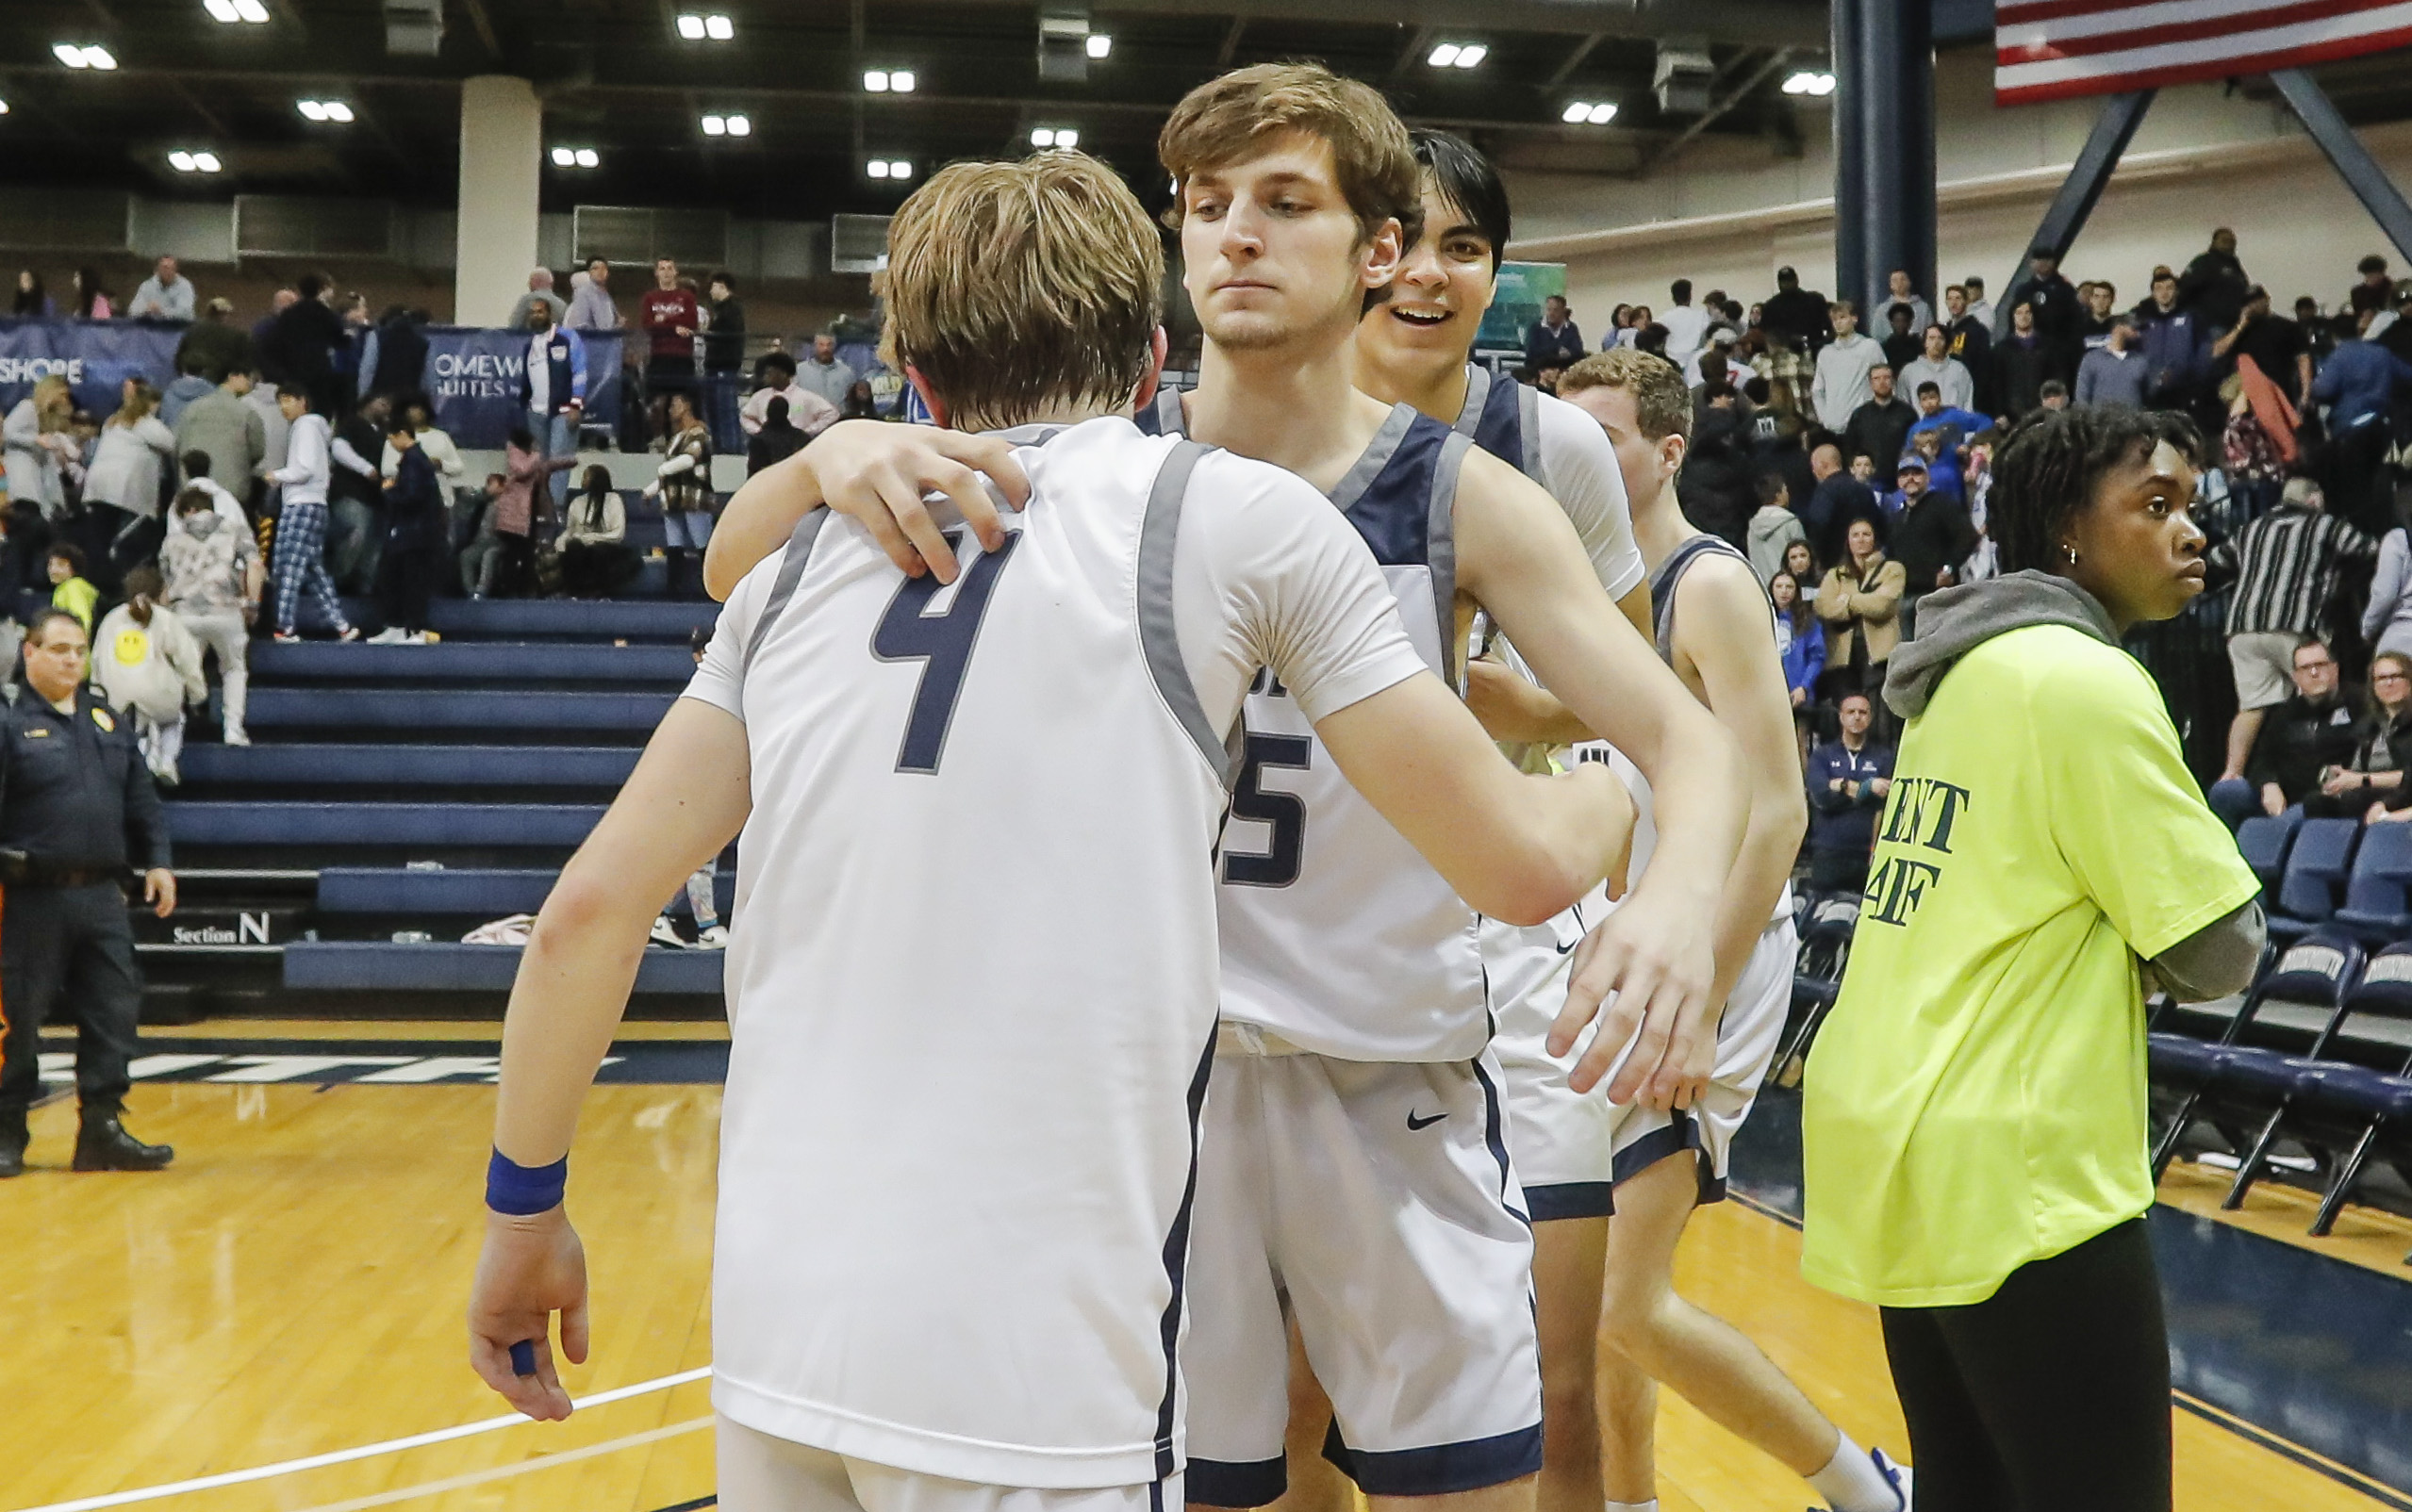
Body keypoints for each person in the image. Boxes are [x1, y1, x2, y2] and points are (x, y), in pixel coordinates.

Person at [466, 145, 1638, 1512]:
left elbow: (585, 920)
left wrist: (522, 1211)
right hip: (1036, 1364)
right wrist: (1611, 771)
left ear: (915, 378)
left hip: (784, 1341)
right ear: (1154, 363)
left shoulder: (795, 568)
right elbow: (1521, 867)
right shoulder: (1231, 510)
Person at [702, 68, 1749, 1512]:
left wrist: (1680, 911)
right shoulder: (1081, 466)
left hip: (1390, 1073)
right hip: (1159, 1103)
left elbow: (1683, 736)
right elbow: (732, 565)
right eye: (1205, 209)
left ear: (1375, 250)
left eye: (1283, 203)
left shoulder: (1457, 497)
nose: (1235, 238)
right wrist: (828, 453)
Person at [1802, 404, 2263, 1510]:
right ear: (2065, 527)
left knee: (1971, 1491)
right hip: (2020, 1163)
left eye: (2189, 508)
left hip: (1901, 1138)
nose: (2187, 532)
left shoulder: (1956, 674)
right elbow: (2218, 947)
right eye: (2153, 507)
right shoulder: (2084, 682)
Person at [1545, 350, 1906, 1512]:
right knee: (1599, 1309)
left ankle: (1864, 1485)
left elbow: (1779, 808)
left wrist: (1693, 990)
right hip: (1615, 958)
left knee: (1618, 1301)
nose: (1575, 458)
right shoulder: (1568, 587)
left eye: (1600, 437)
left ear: (1661, 452)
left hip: (1713, 961)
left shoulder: (1703, 585)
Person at [0, 610, 180, 1178]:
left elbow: (140, 796)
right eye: (58, 649)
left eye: (79, 649)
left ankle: (101, 1129)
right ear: (29, 653)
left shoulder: (104, 718)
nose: (72, 660)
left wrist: (157, 860)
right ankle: (6, 1133)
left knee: (113, 1010)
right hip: (29, 897)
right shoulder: (8, 724)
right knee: (16, 1019)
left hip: (102, 894)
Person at [2216, 476, 2374, 795]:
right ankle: (2330, 777)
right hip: (2295, 624)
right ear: (2314, 500)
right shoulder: (2325, 525)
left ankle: (2231, 776)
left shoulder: (2251, 529)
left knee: (2252, 707)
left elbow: (2216, 561)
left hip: (2243, 627)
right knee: (2318, 694)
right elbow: (2368, 548)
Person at [159, 485, 260, 745]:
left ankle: (172, 739)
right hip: (226, 610)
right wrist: (252, 603)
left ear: (186, 512)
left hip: (185, 614)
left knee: (180, 675)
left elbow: (166, 584)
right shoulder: (235, 529)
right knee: (233, 669)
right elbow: (255, 565)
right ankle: (233, 729)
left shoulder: (173, 539)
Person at [91, 566, 205, 782]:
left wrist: (97, 692)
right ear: (160, 592)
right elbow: (188, 662)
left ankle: (144, 752)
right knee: (173, 718)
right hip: (160, 695)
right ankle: (166, 760)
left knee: (138, 718)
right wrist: (198, 695)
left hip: (118, 698)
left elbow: (96, 660)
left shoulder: (111, 619)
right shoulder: (167, 620)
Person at [264, 386, 358, 643]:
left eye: (288, 400)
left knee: (288, 567)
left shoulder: (305, 426)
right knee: (313, 570)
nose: (283, 406)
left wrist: (277, 475)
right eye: (280, 401)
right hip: (313, 505)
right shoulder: (312, 428)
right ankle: (342, 625)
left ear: (302, 401)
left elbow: (303, 468)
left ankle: (284, 627)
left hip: (302, 505)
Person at [2310, 305, 2412, 537]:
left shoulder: (2339, 356)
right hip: (2384, 426)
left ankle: (2362, 538)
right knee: (2382, 487)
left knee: (2356, 491)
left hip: (2352, 430)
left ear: (2334, 335)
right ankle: (2388, 532)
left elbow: (2323, 390)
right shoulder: (2382, 353)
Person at [2302, 650, 2412, 819]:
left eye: (2396, 676)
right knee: (2315, 801)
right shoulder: (2369, 725)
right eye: (2381, 678)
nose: (2389, 683)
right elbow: (2357, 769)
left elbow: (2409, 778)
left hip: (2399, 795)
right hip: (2365, 790)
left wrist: (2362, 780)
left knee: (2355, 799)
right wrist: (2343, 776)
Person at [1803, 692, 1892, 894]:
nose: (1857, 716)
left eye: (1863, 712)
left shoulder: (1884, 757)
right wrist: (1868, 787)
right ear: (1841, 717)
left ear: (1870, 718)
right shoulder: (1822, 756)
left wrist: (1840, 786)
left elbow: (1885, 802)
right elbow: (1821, 797)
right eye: (1851, 712)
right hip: (1828, 852)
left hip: (1866, 855)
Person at [370, 422, 446, 644]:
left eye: (391, 438)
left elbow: (413, 497)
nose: (391, 444)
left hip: (415, 534)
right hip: (412, 533)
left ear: (402, 434)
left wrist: (390, 491)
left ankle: (416, 629)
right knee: (394, 579)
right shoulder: (415, 460)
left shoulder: (414, 461)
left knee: (412, 582)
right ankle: (396, 626)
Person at [1815, 518, 1903, 707]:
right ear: (1848, 541)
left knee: (1878, 711)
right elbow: (1824, 607)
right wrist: (1866, 601)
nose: (1861, 539)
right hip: (1843, 655)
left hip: (1879, 656)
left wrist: (1848, 600)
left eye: (1866, 534)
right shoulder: (1835, 575)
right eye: (1855, 535)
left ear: (1875, 539)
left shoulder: (1893, 569)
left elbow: (1883, 605)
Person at [1888, 459, 1978, 638]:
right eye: (1905, 475)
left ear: (1927, 477)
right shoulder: (1897, 517)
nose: (1910, 479)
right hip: (1904, 596)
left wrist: (1949, 568)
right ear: (1898, 482)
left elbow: (1969, 536)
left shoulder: (1942, 504)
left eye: (1916, 473)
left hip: (1936, 595)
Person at [517, 298, 587, 517]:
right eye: (533, 313)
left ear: (550, 315)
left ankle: (556, 509)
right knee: (540, 462)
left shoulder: (567, 337)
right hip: (536, 412)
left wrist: (576, 404)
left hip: (564, 410)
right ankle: (541, 509)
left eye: (540, 312)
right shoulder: (530, 344)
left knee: (558, 460)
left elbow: (580, 371)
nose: (536, 316)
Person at [648, 391, 713, 597]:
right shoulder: (677, 437)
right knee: (674, 544)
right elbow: (671, 468)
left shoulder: (699, 432)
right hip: (673, 496)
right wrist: (650, 490)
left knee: (702, 542)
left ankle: (713, 588)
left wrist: (662, 471)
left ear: (686, 405)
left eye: (674, 405)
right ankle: (673, 588)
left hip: (694, 497)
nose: (670, 410)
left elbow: (689, 460)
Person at [497, 428, 573, 599]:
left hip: (528, 515)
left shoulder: (533, 459)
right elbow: (522, 470)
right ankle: (507, 593)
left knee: (527, 555)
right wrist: (537, 455)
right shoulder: (515, 454)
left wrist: (571, 461)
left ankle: (526, 592)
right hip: (512, 515)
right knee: (512, 554)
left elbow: (550, 465)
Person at [2212, 286, 2312, 410]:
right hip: (2248, 396)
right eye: (2249, 303)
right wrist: (2241, 325)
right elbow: (2217, 352)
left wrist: (2305, 394)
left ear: (2266, 299)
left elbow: (2303, 359)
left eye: (2257, 300)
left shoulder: (2288, 327)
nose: (2254, 305)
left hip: (2280, 392)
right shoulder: (2241, 330)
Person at [638, 257, 700, 433]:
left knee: (682, 401)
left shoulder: (687, 297)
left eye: (669, 268)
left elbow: (691, 322)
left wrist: (663, 320)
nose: (666, 272)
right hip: (659, 356)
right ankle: (657, 437)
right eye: (662, 268)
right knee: (658, 401)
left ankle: (681, 436)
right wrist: (674, 326)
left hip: (682, 357)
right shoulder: (650, 297)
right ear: (656, 273)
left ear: (675, 272)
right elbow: (648, 325)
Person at [557, 466, 636, 599]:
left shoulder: (614, 500)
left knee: (599, 551)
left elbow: (618, 534)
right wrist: (561, 540)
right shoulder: (577, 502)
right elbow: (570, 530)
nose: (583, 481)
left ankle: (602, 593)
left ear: (598, 480)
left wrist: (592, 538)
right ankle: (574, 592)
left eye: (586, 477)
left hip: (606, 545)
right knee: (572, 547)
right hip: (583, 544)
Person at [1772, 568, 1825, 750]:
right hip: (1768, 692)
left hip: (1798, 692)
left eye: (1789, 586)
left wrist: (1804, 686)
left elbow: (1817, 657)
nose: (1784, 591)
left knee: (1798, 744)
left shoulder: (1808, 621)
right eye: (1779, 586)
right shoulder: (1760, 617)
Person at [1842, 365, 1915, 485]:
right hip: (1868, 482)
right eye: (1876, 378)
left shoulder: (1907, 413)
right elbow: (1849, 449)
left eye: (1886, 377)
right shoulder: (1860, 415)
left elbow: (1914, 446)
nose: (1882, 382)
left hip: (1901, 480)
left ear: (1893, 381)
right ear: (1870, 383)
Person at [741, 352, 841, 438]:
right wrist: (758, 431)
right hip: (766, 447)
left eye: (770, 373)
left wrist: (807, 431)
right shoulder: (760, 397)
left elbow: (832, 414)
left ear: (784, 374)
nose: (766, 376)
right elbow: (745, 416)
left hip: (796, 446)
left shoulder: (805, 397)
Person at [702, 271, 748, 454]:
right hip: (717, 365)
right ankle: (721, 445)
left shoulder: (731, 309)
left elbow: (726, 334)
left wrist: (708, 331)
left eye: (713, 286)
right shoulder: (722, 310)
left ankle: (730, 447)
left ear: (722, 286)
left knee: (725, 409)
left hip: (724, 365)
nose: (711, 291)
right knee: (715, 408)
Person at [2180, 226, 2252, 332]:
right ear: (2214, 242)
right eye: (2224, 240)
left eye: (2232, 241)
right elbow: (2185, 288)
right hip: (2212, 326)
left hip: (2236, 327)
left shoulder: (2236, 267)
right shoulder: (2204, 262)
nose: (2229, 244)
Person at [2074, 313, 2150, 408]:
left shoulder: (2141, 361)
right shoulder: (2092, 359)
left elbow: (2147, 394)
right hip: (2101, 421)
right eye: (2134, 329)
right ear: (2118, 328)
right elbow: (2082, 396)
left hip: (2133, 421)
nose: (2138, 335)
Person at [1745, 471, 1806, 584]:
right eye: (1785, 490)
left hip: (1764, 590)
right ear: (1778, 496)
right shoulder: (1790, 523)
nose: (1788, 494)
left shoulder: (1752, 527)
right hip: (1789, 589)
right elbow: (1804, 561)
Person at [1898, 324, 1974, 413]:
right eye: (1932, 338)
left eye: (1941, 338)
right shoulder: (1909, 371)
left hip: (1953, 424)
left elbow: (1967, 404)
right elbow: (1903, 405)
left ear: (1946, 342)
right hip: (1922, 425)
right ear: (1925, 343)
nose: (1936, 342)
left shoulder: (1959, 369)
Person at [1761, 266, 1832, 353]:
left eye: (1790, 280)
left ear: (1797, 280)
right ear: (1778, 283)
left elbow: (1830, 327)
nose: (1786, 284)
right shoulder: (1771, 306)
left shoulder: (1815, 300)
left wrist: (1824, 345)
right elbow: (1768, 334)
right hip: (1785, 353)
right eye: (1783, 281)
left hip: (1815, 350)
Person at [745, 395, 807, 477]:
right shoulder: (802, 437)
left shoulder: (758, 440)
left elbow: (754, 474)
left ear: (767, 412)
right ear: (787, 412)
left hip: (769, 486)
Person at [796, 331, 858, 410]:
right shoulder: (800, 371)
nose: (825, 349)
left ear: (834, 346)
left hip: (838, 420)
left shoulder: (847, 372)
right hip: (810, 421)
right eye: (821, 345)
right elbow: (793, 401)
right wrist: (798, 414)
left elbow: (852, 403)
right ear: (815, 346)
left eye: (829, 345)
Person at [1659, 278, 1711, 370]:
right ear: (1690, 295)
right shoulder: (1702, 316)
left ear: (1673, 298)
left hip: (1672, 364)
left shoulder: (1663, 318)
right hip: (1696, 364)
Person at [1525, 293, 1585, 373]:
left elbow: (1578, 352)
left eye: (1555, 310)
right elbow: (1532, 352)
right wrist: (1557, 351)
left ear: (1563, 311)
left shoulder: (1571, 328)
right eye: (1549, 309)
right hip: (1540, 375)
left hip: (1564, 374)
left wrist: (1568, 354)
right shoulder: (1536, 328)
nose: (1551, 313)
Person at [126, 255, 195, 321]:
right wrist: (146, 309)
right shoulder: (147, 285)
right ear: (156, 270)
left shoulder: (185, 286)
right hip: (153, 328)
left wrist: (162, 311)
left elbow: (185, 313)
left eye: (171, 268)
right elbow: (132, 311)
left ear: (176, 270)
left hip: (179, 327)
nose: (168, 272)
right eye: (165, 268)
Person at [47, 544, 98, 631]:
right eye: (50, 564)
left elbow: (82, 620)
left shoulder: (74, 587)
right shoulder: (62, 588)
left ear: (74, 567)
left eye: (61, 565)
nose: (53, 570)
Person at [505, 268, 569, 331]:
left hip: (529, 339)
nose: (528, 284)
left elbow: (515, 324)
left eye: (530, 281)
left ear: (536, 281)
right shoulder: (562, 304)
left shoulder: (526, 300)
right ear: (551, 283)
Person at [565, 257, 620, 330]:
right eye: (595, 268)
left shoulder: (606, 295)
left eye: (603, 268)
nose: (600, 271)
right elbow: (581, 324)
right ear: (589, 273)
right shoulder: (583, 293)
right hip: (591, 339)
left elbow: (611, 322)